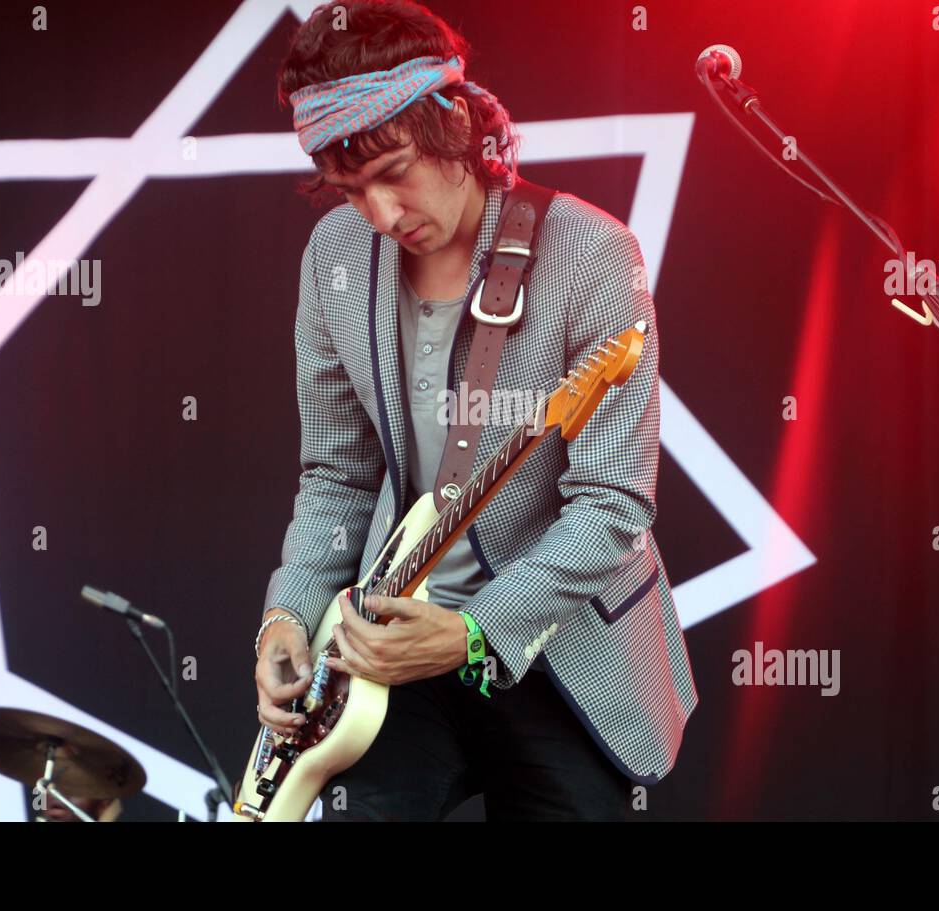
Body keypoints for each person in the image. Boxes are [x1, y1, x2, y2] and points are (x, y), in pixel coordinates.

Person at [254, 0, 697, 821]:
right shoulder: (334, 259)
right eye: (352, 191)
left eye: (393, 173)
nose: (382, 215)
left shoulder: (593, 253)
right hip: (387, 654)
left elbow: (614, 503)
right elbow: (337, 474)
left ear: (452, 123)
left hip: (563, 644)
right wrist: (288, 612)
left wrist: (471, 634)